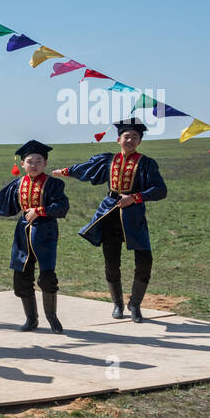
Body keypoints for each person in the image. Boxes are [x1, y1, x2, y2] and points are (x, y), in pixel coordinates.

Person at [52, 118, 167, 323]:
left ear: (139, 141)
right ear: (118, 140)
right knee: (111, 262)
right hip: (109, 214)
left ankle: (135, 304)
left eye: (135, 137)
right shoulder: (108, 160)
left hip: (134, 216)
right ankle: (117, 304)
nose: (130, 140)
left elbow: (160, 190)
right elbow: (87, 169)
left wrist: (135, 197)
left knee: (144, 261)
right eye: (126, 136)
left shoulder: (147, 163)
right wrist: (66, 171)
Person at [0, 140, 70, 332]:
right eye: (30, 161)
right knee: (22, 276)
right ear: (23, 164)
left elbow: (62, 206)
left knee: (47, 277)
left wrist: (40, 211)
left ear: (45, 163)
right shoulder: (18, 184)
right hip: (23, 233)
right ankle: (31, 319)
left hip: (45, 233)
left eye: (38, 161)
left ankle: (52, 318)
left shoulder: (54, 184)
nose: (34, 165)